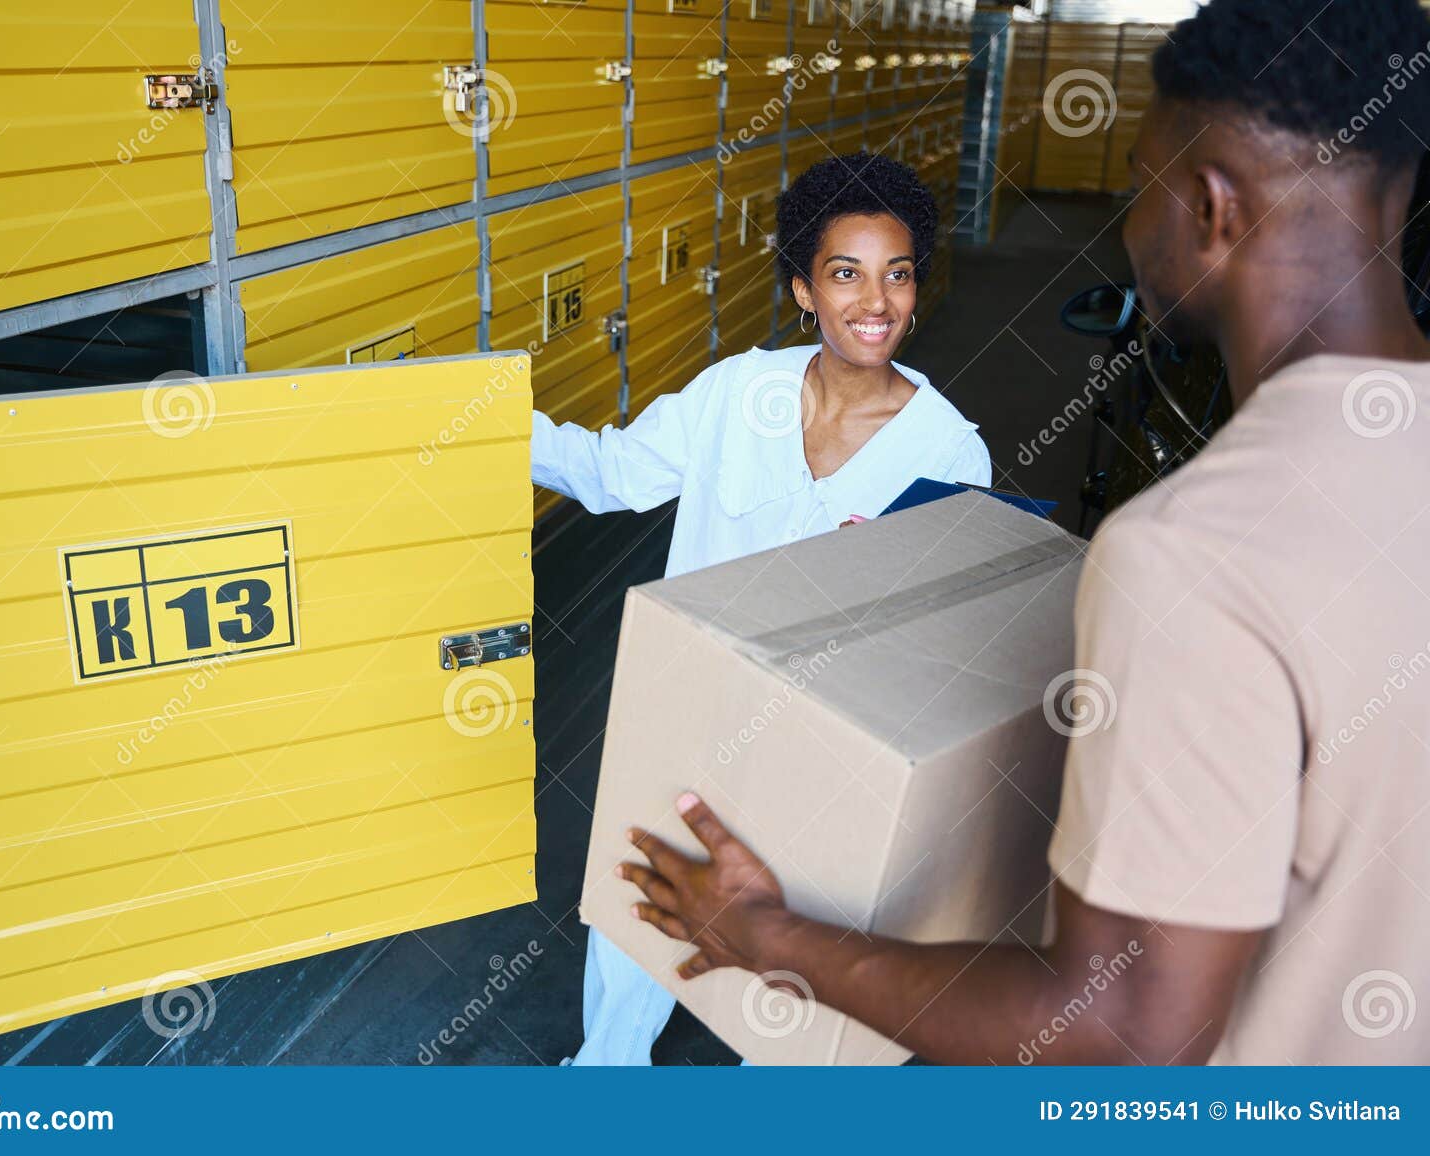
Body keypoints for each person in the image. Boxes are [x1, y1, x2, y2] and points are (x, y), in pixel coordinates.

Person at [618, 0, 1430, 1064]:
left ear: (1209, 205)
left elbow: (1123, 1028)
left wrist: (761, 932)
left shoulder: (1193, 549)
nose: (1130, 224)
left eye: (1138, 184)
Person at [532, 151, 992, 1064]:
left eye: (897, 274)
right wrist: (479, 418)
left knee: (795, 979)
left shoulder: (950, 453)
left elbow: (938, 643)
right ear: (803, 291)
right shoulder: (736, 395)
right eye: (845, 273)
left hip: (827, 748)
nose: (876, 301)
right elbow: (612, 473)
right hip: (689, 713)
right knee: (637, 918)